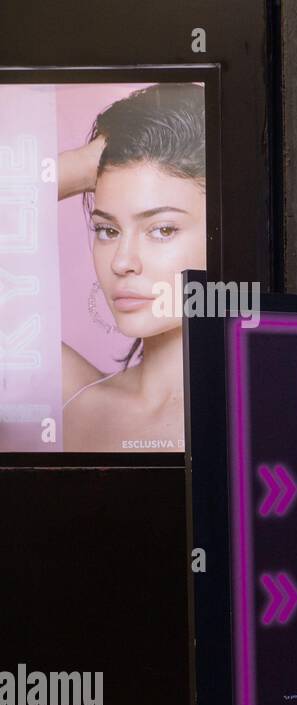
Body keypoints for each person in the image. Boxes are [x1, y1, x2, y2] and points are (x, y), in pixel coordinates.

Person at [58, 84, 207, 452]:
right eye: (108, 230)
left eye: (162, 229)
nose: (122, 261)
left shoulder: (261, 416)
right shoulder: (72, 404)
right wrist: (86, 163)